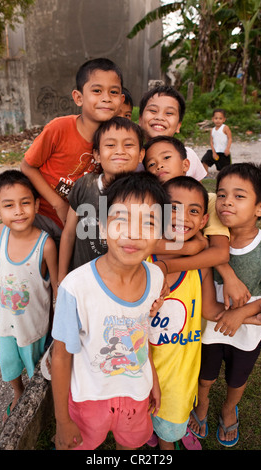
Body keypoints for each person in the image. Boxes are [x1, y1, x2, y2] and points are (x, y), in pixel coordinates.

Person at [148, 175, 261, 451]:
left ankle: (169, 436)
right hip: (141, 359)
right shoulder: (142, 257)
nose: (181, 216)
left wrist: (248, 316)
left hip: (177, 363)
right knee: (136, 417)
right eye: (172, 207)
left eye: (192, 211)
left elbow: (210, 309)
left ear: (204, 221)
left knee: (171, 416)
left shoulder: (201, 266)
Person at [51, 172, 171, 450]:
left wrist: (150, 378)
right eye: (121, 219)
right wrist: (61, 420)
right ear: (103, 227)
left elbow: (140, 333)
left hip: (136, 394)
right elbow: (60, 356)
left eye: (149, 223)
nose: (133, 233)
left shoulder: (155, 278)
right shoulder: (76, 287)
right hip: (88, 398)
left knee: (129, 445)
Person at [189, 162, 261, 447]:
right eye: (222, 194)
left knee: (237, 380)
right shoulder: (204, 241)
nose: (227, 201)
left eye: (239, 196)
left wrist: (244, 312)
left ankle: (229, 409)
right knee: (205, 376)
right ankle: (201, 404)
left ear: (260, 208)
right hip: (208, 327)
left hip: (247, 334)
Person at [20, 58, 124, 248]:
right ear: (78, 98)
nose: (106, 98)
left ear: (121, 100)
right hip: (42, 216)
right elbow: (27, 166)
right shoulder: (59, 128)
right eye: (97, 90)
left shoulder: (118, 141)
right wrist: (58, 205)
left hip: (79, 224)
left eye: (114, 92)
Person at [143, 135, 252, 311]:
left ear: (186, 165)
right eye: (151, 164)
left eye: (166, 158)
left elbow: (220, 253)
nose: (159, 165)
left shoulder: (208, 201)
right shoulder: (147, 204)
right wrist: (190, 247)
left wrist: (229, 276)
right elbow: (131, 241)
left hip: (187, 280)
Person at [0, 170, 58, 422]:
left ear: (37, 205)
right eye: (9, 205)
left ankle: (40, 406)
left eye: (25, 202)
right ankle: (17, 393)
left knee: (37, 368)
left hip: (34, 326)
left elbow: (58, 286)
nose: (18, 211)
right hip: (5, 323)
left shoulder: (46, 245)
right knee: (9, 364)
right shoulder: (0, 233)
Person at [58, 116, 145, 282]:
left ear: (141, 154)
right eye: (110, 145)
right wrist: (61, 277)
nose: (120, 150)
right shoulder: (84, 185)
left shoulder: (144, 196)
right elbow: (69, 234)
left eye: (128, 144)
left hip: (123, 284)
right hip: (82, 282)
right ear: (97, 155)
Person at [139, 85, 207, 181]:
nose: (159, 117)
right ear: (140, 119)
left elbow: (199, 191)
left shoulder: (189, 156)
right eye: (153, 110)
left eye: (169, 113)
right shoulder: (133, 159)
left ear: (178, 125)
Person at [201, 109, 232, 175]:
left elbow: (230, 138)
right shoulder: (212, 130)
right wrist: (213, 152)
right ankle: (206, 175)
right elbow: (211, 142)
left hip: (223, 152)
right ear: (212, 119)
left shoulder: (225, 128)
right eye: (216, 118)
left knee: (225, 170)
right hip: (214, 151)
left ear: (224, 119)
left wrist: (227, 149)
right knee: (204, 160)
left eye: (220, 118)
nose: (218, 120)